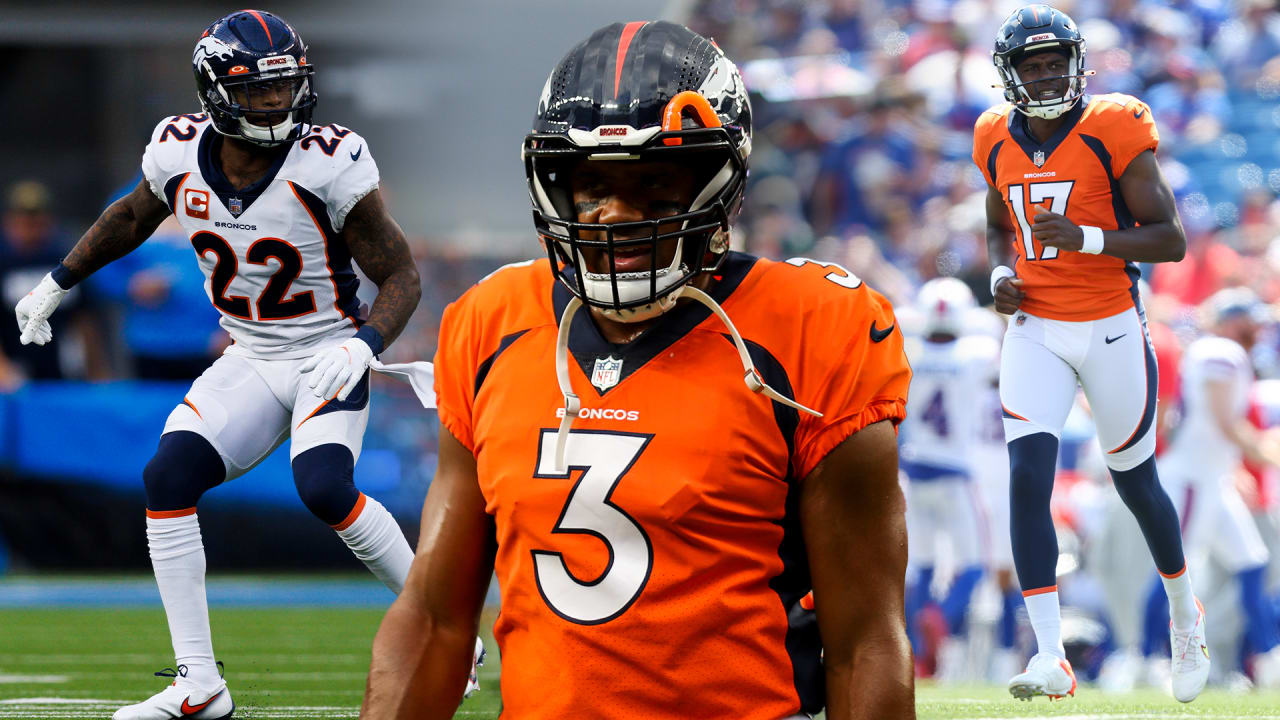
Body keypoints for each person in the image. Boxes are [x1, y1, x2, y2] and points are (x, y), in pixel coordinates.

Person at [361, 20, 915, 720]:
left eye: (655, 184)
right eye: (592, 185)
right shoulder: (491, 320)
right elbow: (434, 618)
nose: (617, 215)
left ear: (720, 182)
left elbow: (865, 642)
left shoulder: (815, 328)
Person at [12, 10, 477, 719]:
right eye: (259, 92)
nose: (277, 104)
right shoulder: (176, 151)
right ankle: (199, 682)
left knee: (324, 488)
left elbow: (402, 276)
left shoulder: (327, 159)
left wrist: (363, 345)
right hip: (252, 354)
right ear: (215, 92)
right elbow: (129, 217)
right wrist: (58, 282)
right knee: (166, 477)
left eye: (286, 87)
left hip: (326, 350)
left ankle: (453, 630)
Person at [973, 4, 1208, 703]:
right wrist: (996, 277)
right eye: (1031, 65)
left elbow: (1170, 239)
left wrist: (1086, 239)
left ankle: (1183, 619)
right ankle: (1050, 655)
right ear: (1009, 74)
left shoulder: (1113, 125)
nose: (1045, 76)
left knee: (1137, 484)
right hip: (1036, 329)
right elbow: (995, 226)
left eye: (1054, 62)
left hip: (1109, 323)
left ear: (1076, 64)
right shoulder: (991, 134)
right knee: (1026, 479)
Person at [1158, 288, 1280, 687]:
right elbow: (1226, 421)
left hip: (1213, 475)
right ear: (1229, 321)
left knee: (1252, 561)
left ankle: (1267, 658)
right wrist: (1264, 451)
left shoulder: (1226, 353)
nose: (1257, 330)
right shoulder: (1219, 353)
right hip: (1192, 477)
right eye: (1249, 321)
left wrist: (1238, 463)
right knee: (1176, 570)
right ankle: (1146, 656)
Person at [899, 277, 998, 681]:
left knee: (920, 566)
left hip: (914, 467)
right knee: (975, 564)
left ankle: (920, 656)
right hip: (956, 470)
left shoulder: (909, 349)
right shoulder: (978, 352)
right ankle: (939, 618)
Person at [0, 180, 108, 387]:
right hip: (15, 371)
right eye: (24, 219)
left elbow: (85, 317)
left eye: (36, 218)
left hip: (64, 367)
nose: (30, 226)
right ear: (10, 221)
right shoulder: (3, 261)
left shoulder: (67, 258)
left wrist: (96, 370)